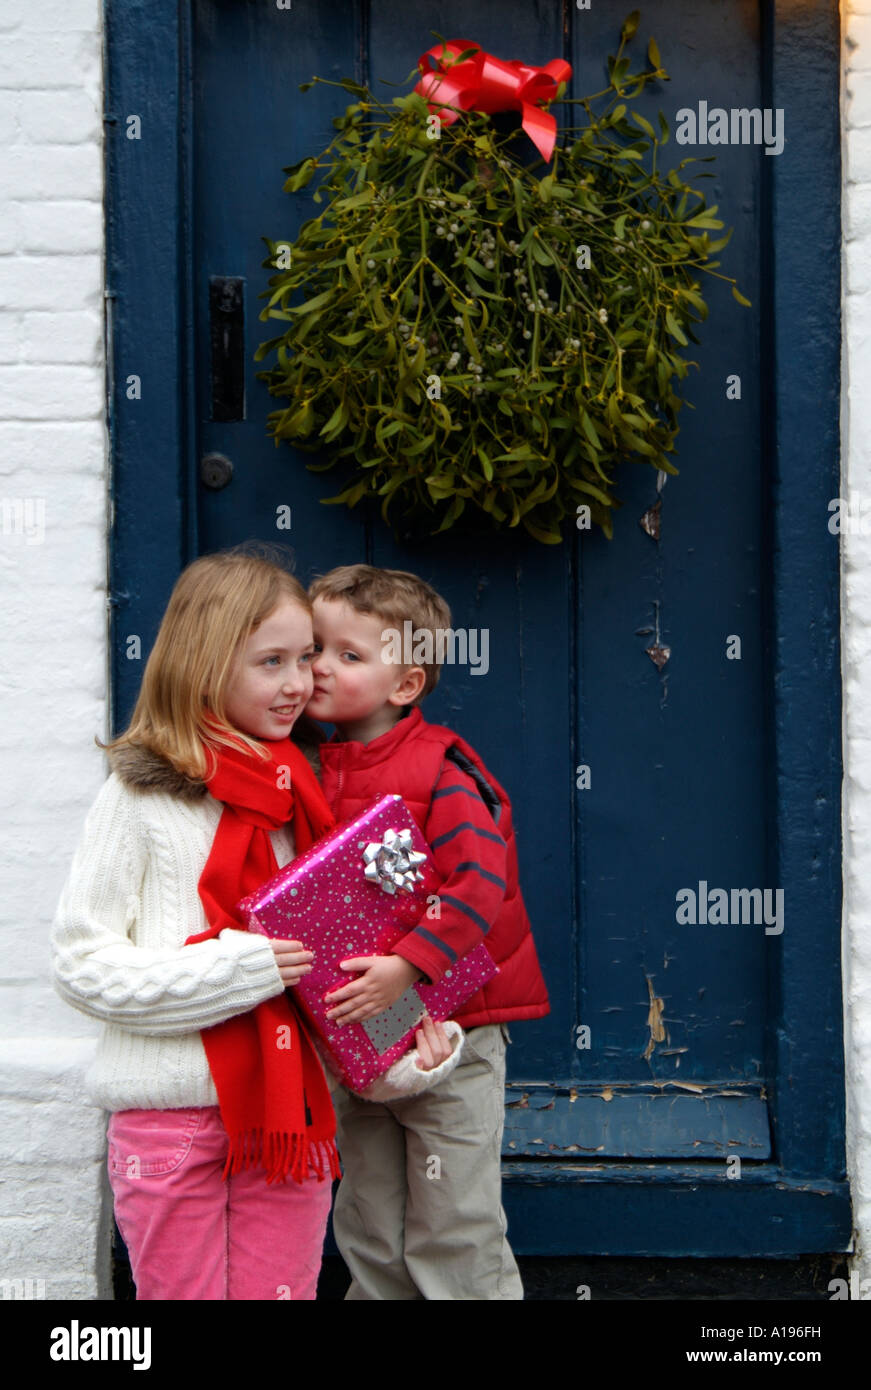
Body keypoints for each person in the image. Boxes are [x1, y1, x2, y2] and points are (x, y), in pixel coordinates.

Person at [50, 545, 452, 1301]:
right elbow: (81, 964)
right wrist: (235, 971)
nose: (300, 682)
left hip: (288, 1124)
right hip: (170, 1126)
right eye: (272, 662)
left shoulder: (305, 797)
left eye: (306, 658)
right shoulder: (138, 800)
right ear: (204, 663)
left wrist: (407, 1040)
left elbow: (335, 967)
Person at [306, 563, 551, 1301]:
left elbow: (476, 884)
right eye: (314, 646)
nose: (319, 666)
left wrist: (409, 965)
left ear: (404, 683)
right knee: (369, 1211)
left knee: (453, 1215)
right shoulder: (305, 768)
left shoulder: (441, 767)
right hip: (360, 1030)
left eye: (348, 656)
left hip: (455, 1027)